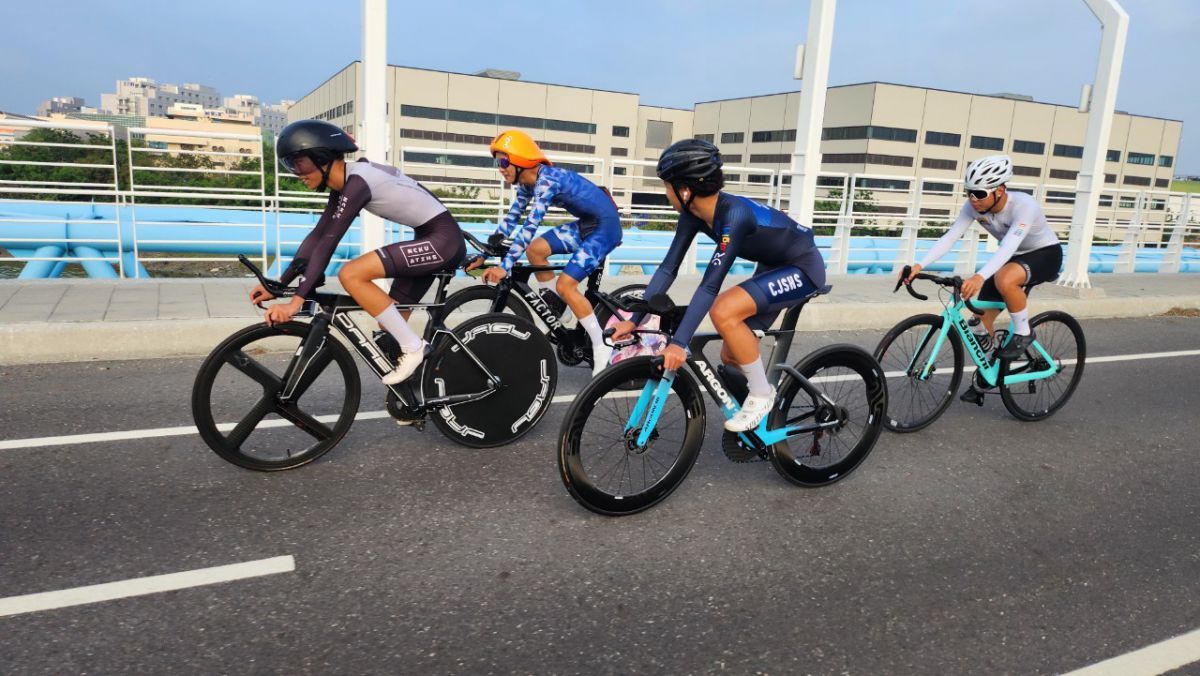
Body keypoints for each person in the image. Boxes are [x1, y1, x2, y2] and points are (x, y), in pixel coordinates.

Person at [610, 139, 826, 433]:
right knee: (730, 356)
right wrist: (635, 320)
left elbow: (709, 287)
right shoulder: (693, 215)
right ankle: (763, 428)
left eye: (667, 186)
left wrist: (679, 344)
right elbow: (667, 268)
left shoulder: (733, 216)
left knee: (723, 310)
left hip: (803, 268)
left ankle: (763, 395)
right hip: (773, 266)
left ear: (685, 190)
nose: (666, 193)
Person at [252, 119, 466, 386]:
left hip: (442, 240)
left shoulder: (357, 183)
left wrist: (296, 302)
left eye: (300, 164)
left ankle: (415, 348)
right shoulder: (345, 184)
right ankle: (416, 397)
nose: (297, 172)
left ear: (322, 158)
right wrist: (280, 283)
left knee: (352, 274)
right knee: (390, 329)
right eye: (290, 165)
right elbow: (317, 237)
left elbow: (329, 242)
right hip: (430, 238)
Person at [898, 154, 1063, 400]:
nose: (974, 200)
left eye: (980, 194)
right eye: (969, 193)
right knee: (979, 324)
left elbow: (1008, 247)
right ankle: (989, 376)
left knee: (1005, 279)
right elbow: (951, 237)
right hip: (1012, 257)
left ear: (1000, 190)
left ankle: (1023, 332)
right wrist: (919, 265)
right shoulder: (973, 208)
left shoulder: (1024, 206)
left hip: (1045, 254)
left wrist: (978, 277)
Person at [468, 129, 623, 374]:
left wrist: (504, 266)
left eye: (504, 161)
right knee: (535, 250)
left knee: (566, 285)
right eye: (497, 161)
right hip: (588, 224)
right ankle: (560, 309)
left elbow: (530, 225)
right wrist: (484, 254)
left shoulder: (547, 180)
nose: (500, 167)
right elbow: (510, 221)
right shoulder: (527, 186)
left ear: (520, 161)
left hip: (606, 227)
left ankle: (602, 344)